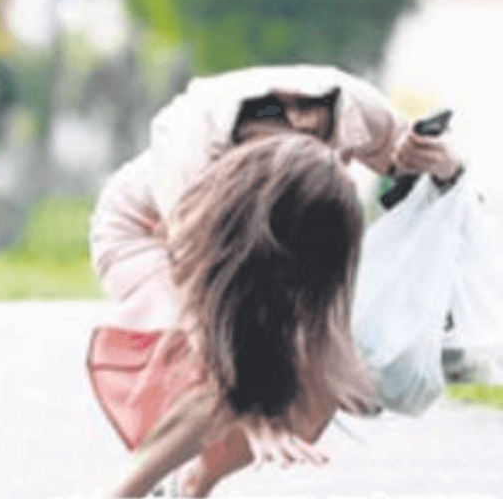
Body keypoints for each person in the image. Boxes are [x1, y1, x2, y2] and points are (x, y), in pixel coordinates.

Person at [87, 64, 463, 497]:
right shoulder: (189, 152)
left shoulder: (354, 111)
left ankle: (194, 484)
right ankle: (128, 489)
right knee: (213, 385)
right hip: (155, 237)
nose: (301, 130)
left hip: (285, 234)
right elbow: (206, 316)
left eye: (312, 130)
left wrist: (443, 162)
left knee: (314, 390)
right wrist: (251, 410)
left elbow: (405, 155)